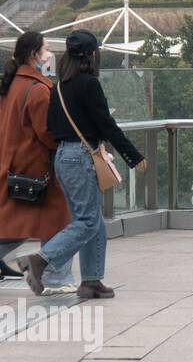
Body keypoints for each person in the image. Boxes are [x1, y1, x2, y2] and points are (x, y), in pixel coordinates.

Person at [19, 30, 147, 299]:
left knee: (93, 221)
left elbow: (52, 127)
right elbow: (106, 124)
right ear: (91, 55)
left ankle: (91, 281)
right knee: (88, 221)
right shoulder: (89, 84)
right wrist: (133, 155)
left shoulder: (59, 87)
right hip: (80, 156)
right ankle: (40, 260)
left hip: (64, 158)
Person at [0, 32, 75, 296]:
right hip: (36, 169)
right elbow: (47, 132)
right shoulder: (38, 90)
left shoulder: (10, 84)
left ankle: (58, 276)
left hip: (13, 164)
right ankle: (57, 278)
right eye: (45, 49)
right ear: (34, 55)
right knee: (57, 221)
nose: (49, 55)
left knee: (18, 226)